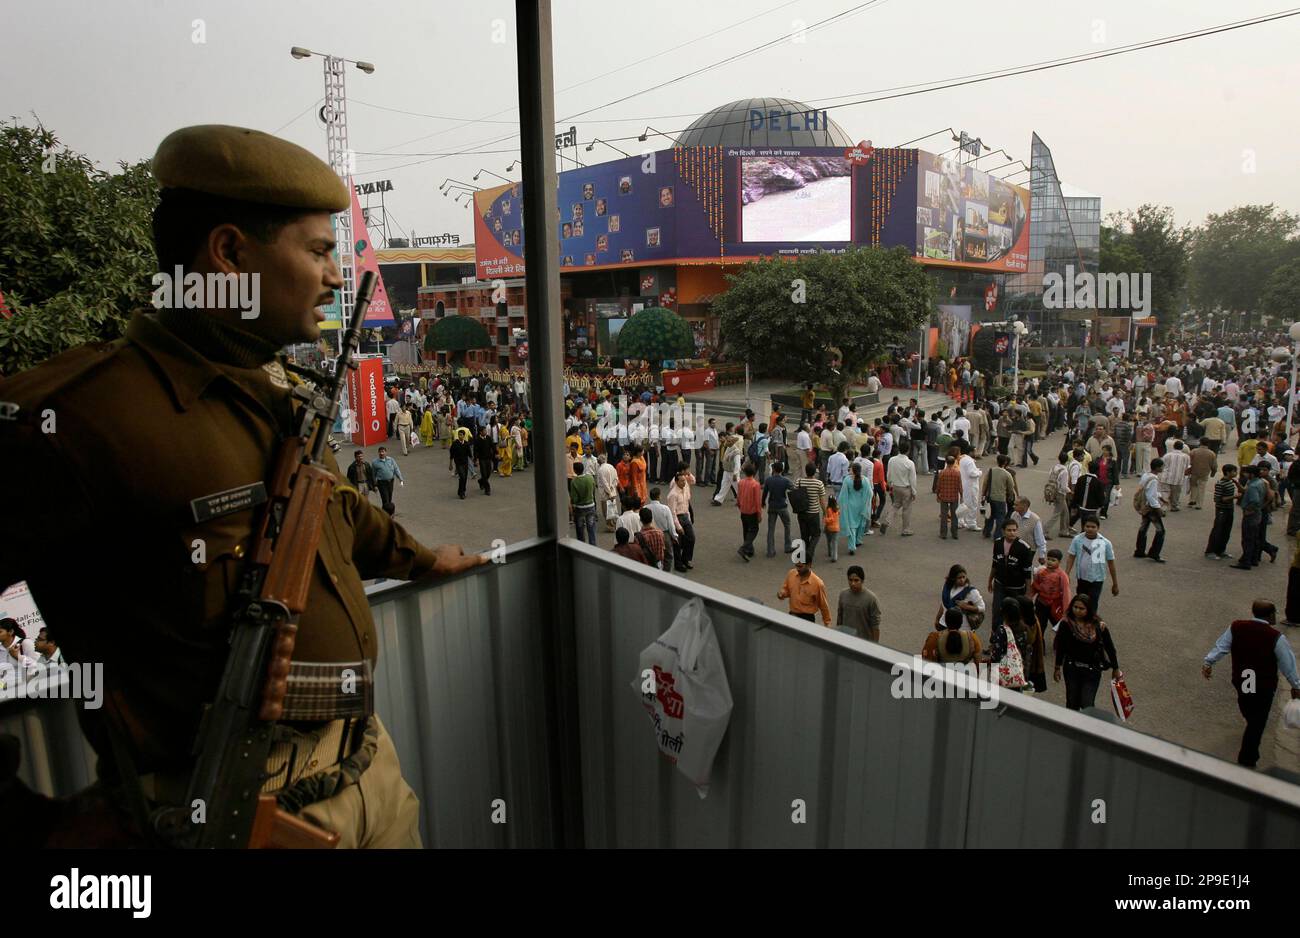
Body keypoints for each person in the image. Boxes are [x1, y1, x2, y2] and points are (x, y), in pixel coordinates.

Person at [0, 125, 491, 848]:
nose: (334, 275)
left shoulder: (273, 389)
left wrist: (420, 557)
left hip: (366, 774)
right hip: (228, 813)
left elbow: (330, 508)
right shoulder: (77, 418)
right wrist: (32, 826)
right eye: (320, 251)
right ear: (229, 252)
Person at [1201, 599, 1300, 768]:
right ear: (1270, 615)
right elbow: (1287, 664)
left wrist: (1208, 663)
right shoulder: (1275, 637)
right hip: (1262, 684)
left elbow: (1222, 647)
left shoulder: (1237, 627)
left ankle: (1251, 725)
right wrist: (1296, 685)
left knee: (1247, 705)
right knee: (1257, 721)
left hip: (1241, 680)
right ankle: (1247, 758)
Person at [1053, 594, 1121, 711]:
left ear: (1088, 609)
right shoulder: (1066, 624)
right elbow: (1061, 647)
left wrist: (1115, 668)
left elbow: (1110, 647)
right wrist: (1057, 667)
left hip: (1092, 671)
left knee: (1087, 704)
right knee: (1072, 702)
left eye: (1081, 608)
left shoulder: (1099, 626)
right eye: (1075, 607)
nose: (1077, 611)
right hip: (1072, 668)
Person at [1064, 517, 1119, 611]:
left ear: (1098, 528)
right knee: (1081, 603)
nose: (1090, 529)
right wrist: (1066, 574)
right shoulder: (1077, 540)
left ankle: (1091, 623)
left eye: (1093, 527)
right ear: (1083, 527)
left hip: (1097, 579)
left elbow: (1111, 563)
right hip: (1081, 578)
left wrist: (1115, 583)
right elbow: (1071, 557)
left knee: (1092, 603)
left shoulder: (1105, 543)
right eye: (1087, 526)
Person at [988, 518, 1035, 628]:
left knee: (1015, 613)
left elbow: (1027, 572)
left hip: (1016, 587)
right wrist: (990, 580)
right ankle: (995, 637)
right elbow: (995, 563)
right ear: (1003, 531)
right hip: (1000, 584)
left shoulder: (1024, 547)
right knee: (997, 611)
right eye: (1009, 530)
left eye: (1014, 530)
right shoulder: (998, 543)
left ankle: (1014, 638)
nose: (1012, 533)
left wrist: (1028, 592)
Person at [1028, 549, 1072, 635]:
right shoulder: (1040, 572)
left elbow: (1066, 593)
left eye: (1053, 560)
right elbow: (1034, 587)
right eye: (1048, 559)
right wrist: (1029, 598)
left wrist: (1066, 611)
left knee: (1060, 626)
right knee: (1040, 626)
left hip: (1055, 605)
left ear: (1059, 562)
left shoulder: (1062, 575)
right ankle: (1039, 647)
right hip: (1041, 603)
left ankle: (1060, 646)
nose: (1050, 562)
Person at [1134, 456, 1167, 563]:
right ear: (1157, 468)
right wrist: (1159, 508)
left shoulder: (1146, 475)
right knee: (1160, 530)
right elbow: (1151, 496)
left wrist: (1160, 497)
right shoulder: (1154, 479)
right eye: (1162, 466)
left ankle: (1139, 550)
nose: (1163, 468)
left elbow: (1147, 491)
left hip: (1144, 506)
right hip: (1151, 508)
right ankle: (1154, 553)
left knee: (1143, 528)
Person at [836, 565, 881, 641]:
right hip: (846, 639)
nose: (853, 583)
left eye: (856, 580)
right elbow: (840, 617)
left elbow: (875, 626)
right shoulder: (843, 594)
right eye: (850, 580)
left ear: (862, 581)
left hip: (864, 642)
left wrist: (875, 646)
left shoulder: (871, 599)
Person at [795, 463, 828, 562]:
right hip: (813, 513)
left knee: (804, 535)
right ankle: (809, 553)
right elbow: (822, 500)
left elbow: (795, 494)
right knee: (816, 534)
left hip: (801, 512)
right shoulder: (818, 483)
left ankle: (805, 555)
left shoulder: (799, 481)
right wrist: (825, 512)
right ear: (815, 472)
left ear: (806, 471)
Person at [881, 443, 916, 536]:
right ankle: (906, 529)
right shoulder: (910, 463)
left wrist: (889, 483)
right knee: (906, 509)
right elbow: (912, 479)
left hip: (895, 486)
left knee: (896, 504)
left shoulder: (892, 460)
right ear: (908, 451)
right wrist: (914, 491)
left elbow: (888, 474)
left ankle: (887, 520)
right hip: (906, 488)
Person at [762, 461, 795, 558]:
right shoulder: (785, 480)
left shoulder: (768, 480)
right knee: (787, 525)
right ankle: (787, 546)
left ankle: (770, 550)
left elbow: (764, 493)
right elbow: (793, 488)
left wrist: (762, 502)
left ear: (773, 469)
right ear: (782, 470)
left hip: (772, 505)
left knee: (771, 528)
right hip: (782, 506)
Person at [939, 564, 986, 631]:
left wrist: (966, 607)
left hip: (963, 628)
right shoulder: (947, 587)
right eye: (959, 578)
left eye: (964, 577)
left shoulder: (971, 591)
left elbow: (982, 608)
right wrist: (937, 618)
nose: (962, 580)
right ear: (953, 578)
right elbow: (943, 604)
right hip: (945, 623)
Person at [1205, 464, 1239, 560]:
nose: (1235, 473)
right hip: (1222, 510)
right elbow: (1218, 499)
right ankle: (1210, 550)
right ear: (1228, 472)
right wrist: (1234, 497)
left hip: (1229, 508)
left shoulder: (1231, 482)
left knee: (1226, 531)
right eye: (1234, 471)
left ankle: (1220, 550)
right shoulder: (1221, 483)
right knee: (1217, 530)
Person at [838, 462, 872, 554]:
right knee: (861, 524)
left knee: (852, 526)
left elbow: (843, 495)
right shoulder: (865, 480)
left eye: (850, 468)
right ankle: (858, 540)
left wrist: (840, 505)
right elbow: (870, 493)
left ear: (853, 470)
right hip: (862, 505)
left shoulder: (847, 480)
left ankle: (852, 546)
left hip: (850, 506)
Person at [666, 469, 696, 571]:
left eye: (685, 480)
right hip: (677, 518)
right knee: (677, 543)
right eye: (682, 481)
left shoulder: (685, 490)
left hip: (685, 517)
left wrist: (688, 516)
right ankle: (678, 564)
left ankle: (686, 559)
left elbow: (686, 505)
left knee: (691, 538)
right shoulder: (673, 495)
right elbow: (672, 512)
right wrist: (678, 526)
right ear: (677, 482)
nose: (684, 482)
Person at [980, 454, 1017, 538]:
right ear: (1005, 463)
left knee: (989, 516)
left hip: (990, 498)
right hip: (1001, 499)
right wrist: (1010, 496)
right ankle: (997, 535)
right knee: (1000, 518)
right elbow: (1011, 487)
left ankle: (986, 531)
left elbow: (985, 483)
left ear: (997, 461)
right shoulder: (1007, 474)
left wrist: (983, 494)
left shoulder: (991, 471)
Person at [569, 461, 598, 544]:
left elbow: (574, 498)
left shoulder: (574, 481)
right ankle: (593, 546)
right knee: (591, 528)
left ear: (575, 470)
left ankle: (582, 547)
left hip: (580, 508)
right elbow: (593, 490)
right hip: (591, 505)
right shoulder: (590, 478)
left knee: (580, 529)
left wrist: (573, 505)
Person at [1011, 496, 1047, 563]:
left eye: (1016, 505)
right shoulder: (1014, 515)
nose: (1013, 506)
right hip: (1014, 548)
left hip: (1028, 551)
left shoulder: (1035, 520)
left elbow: (1040, 539)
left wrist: (1041, 556)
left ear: (1024, 506)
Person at [935, 454, 963, 540]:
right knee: (954, 515)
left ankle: (943, 534)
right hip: (954, 496)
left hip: (944, 496)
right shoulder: (957, 473)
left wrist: (937, 494)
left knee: (944, 516)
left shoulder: (942, 473)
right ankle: (955, 534)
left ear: (946, 462)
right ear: (954, 462)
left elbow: (938, 485)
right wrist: (961, 495)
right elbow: (960, 486)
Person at [372, 446, 404, 515]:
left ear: (386, 452)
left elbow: (396, 469)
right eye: (380, 452)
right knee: (385, 500)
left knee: (389, 499)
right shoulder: (375, 462)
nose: (381, 453)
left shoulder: (391, 460)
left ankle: (389, 513)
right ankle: (385, 515)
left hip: (390, 482)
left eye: (383, 451)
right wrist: (374, 485)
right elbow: (373, 475)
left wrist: (400, 479)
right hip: (382, 483)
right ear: (378, 453)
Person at [1188, 438, 1218, 509]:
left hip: (1194, 472)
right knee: (1201, 488)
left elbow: (1189, 462)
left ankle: (1192, 500)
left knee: (1193, 486)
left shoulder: (1194, 451)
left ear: (1200, 442)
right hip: (1204, 473)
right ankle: (1199, 504)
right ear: (1208, 444)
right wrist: (1213, 473)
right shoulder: (1211, 453)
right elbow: (1214, 465)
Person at [448, 429, 473, 500]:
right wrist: (450, 464)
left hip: (465, 463)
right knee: (462, 476)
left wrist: (474, 461)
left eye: (461, 435)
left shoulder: (466, 444)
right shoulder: (455, 444)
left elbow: (469, 454)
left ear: (464, 436)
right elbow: (451, 454)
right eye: (459, 435)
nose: (459, 436)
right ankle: (462, 493)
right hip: (458, 463)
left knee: (464, 478)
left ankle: (461, 490)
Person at [473, 426, 497, 496]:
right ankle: (487, 489)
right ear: (481, 432)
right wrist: (476, 459)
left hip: (488, 458)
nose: (486, 432)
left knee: (488, 473)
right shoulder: (477, 440)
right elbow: (475, 451)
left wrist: (496, 453)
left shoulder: (488, 438)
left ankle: (481, 481)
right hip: (481, 459)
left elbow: (493, 446)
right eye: (484, 431)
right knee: (484, 473)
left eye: (485, 430)